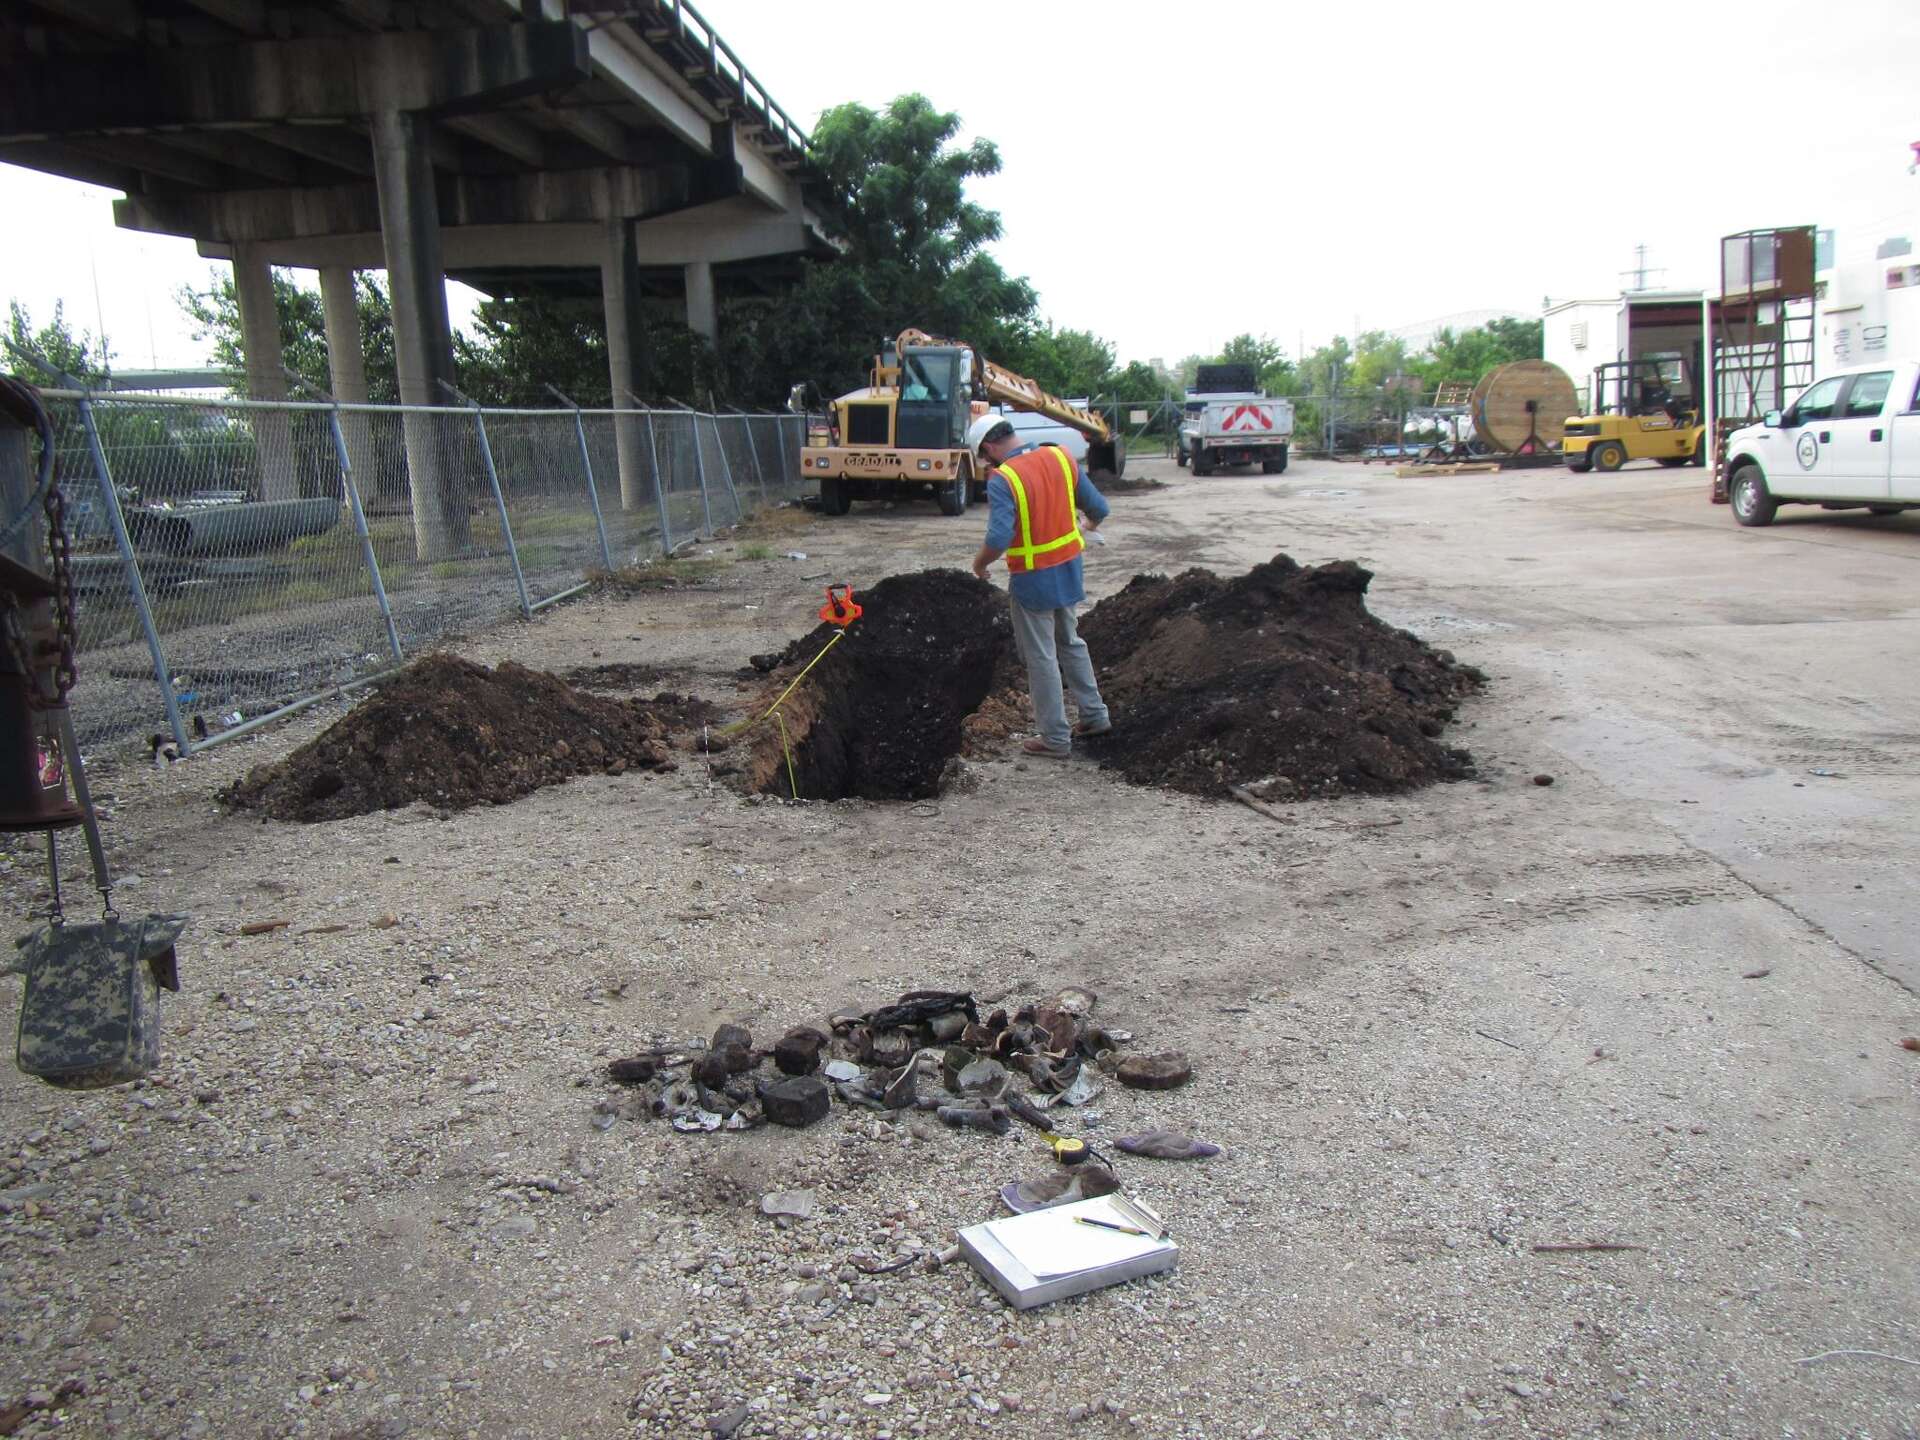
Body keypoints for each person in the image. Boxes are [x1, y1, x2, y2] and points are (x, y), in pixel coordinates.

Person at [966, 414, 1112, 759]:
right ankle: (1095, 716)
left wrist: (979, 565)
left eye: (985, 457)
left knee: (1041, 656)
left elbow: (998, 538)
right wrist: (1088, 526)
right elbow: (1099, 508)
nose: (988, 463)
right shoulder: (1060, 456)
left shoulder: (1004, 479)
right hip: (1069, 570)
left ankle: (1055, 738)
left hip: (1033, 580)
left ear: (989, 447)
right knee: (1070, 642)